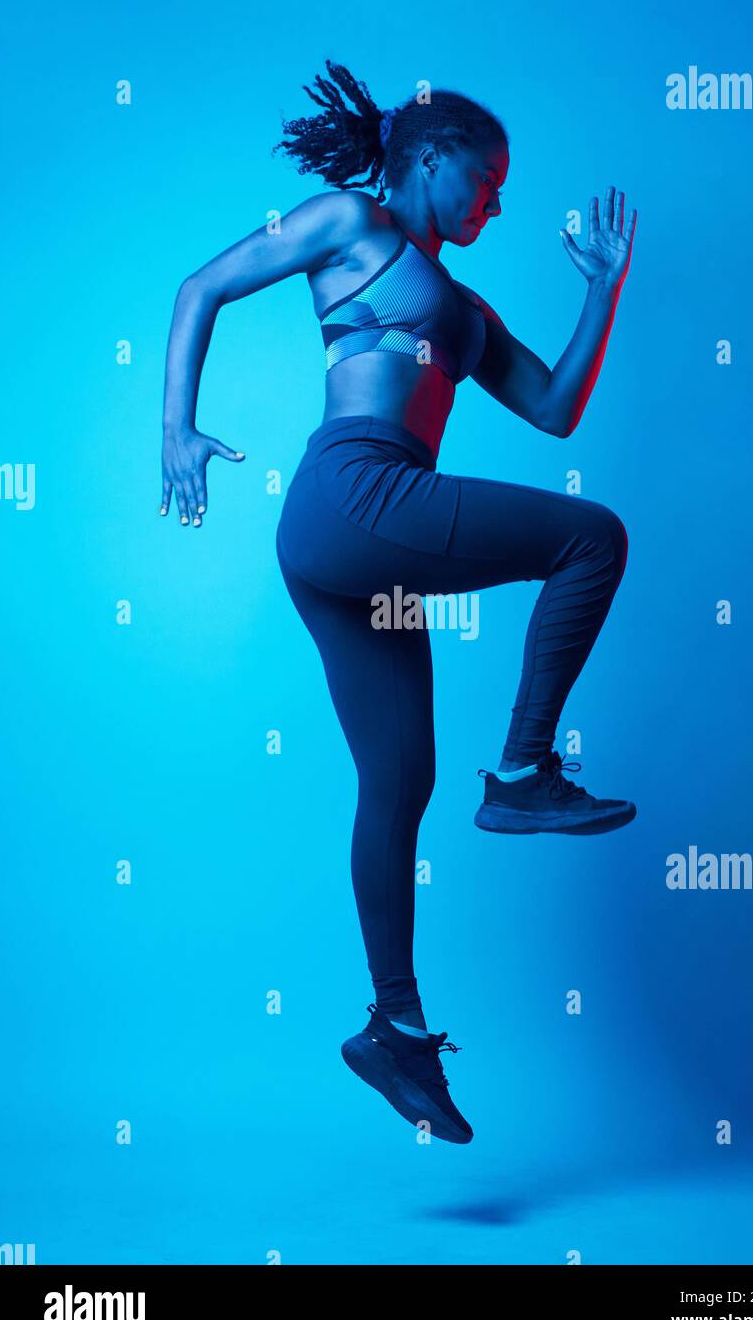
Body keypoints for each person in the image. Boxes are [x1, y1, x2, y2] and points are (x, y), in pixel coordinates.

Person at [160, 61, 639, 1145]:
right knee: (591, 536)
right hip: (356, 491)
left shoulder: (463, 307)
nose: (498, 202)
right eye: (489, 177)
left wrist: (601, 289)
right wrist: (174, 429)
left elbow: (556, 410)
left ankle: (396, 1029)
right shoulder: (350, 221)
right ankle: (522, 771)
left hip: (357, 542)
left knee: (400, 777)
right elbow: (201, 288)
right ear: (432, 155)